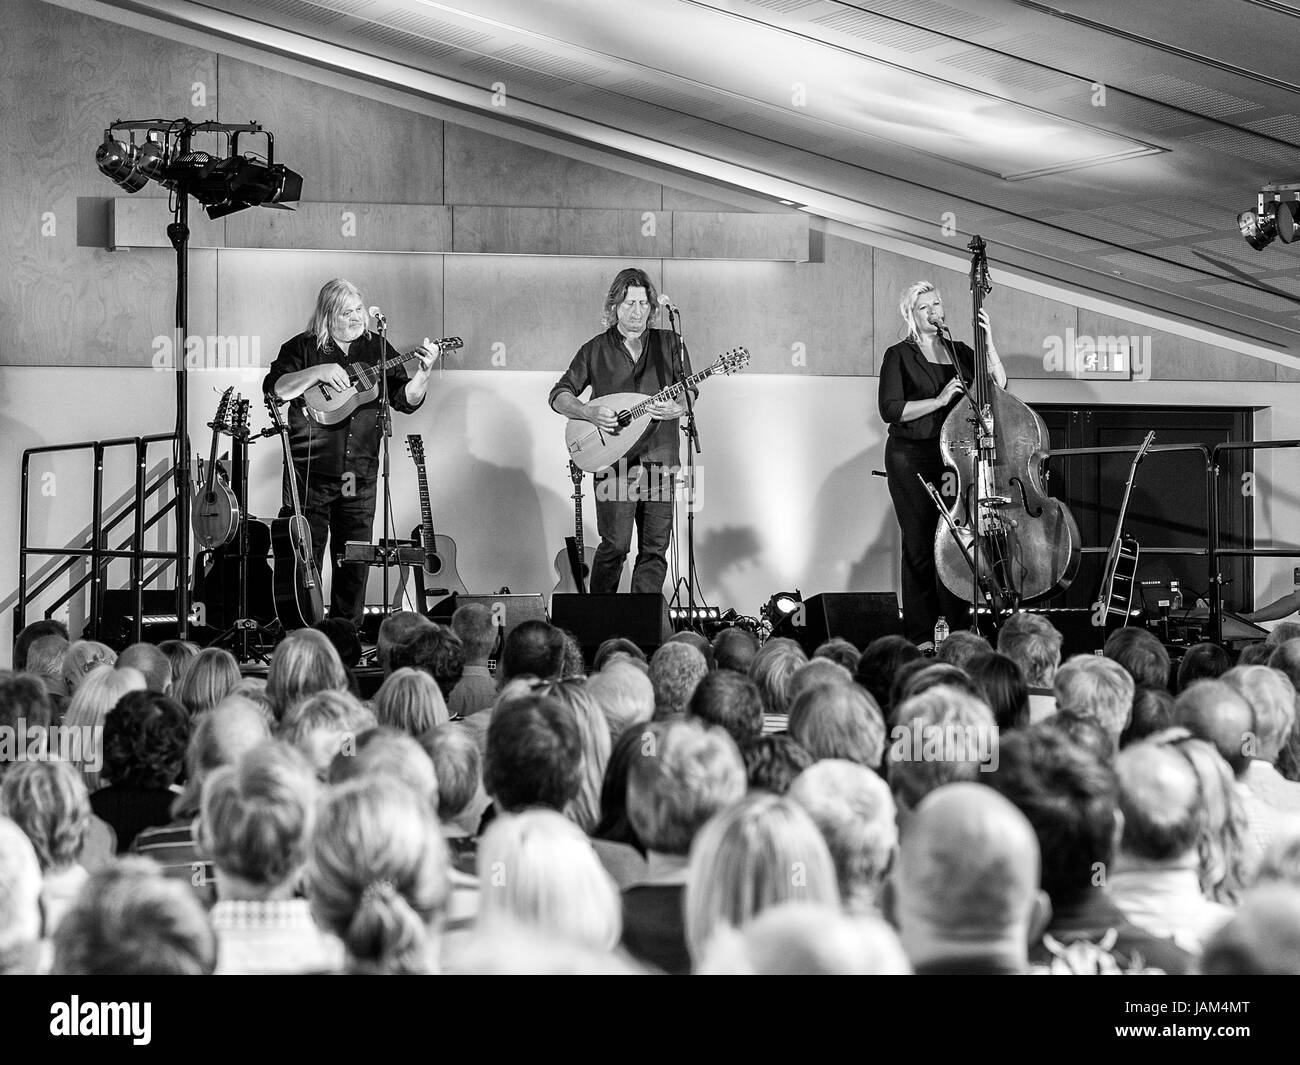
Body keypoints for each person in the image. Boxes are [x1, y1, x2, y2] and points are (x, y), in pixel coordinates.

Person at [262, 278, 440, 627]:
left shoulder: (377, 348)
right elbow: (276, 389)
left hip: (360, 472)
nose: (358, 318)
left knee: (354, 562)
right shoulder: (302, 347)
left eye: (359, 309)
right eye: (347, 312)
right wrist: (318, 372)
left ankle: (346, 636)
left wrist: (424, 372)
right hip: (309, 471)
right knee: (304, 558)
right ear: (329, 316)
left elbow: (406, 400)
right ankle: (302, 634)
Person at [548, 267, 693, 595]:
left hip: (661, 462)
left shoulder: (670, 342)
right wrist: (589, 411)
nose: (637, 312)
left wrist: (678, 407)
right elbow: (559, 395)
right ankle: (600, 623)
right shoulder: (595, 349)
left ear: (652, 307)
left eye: (643, 304)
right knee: (614, 546)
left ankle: (643, 629)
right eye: (629, 304)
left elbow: (688, 391)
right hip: (614, 464)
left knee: (655, 551)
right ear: (614, 306)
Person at [878, 280, 1005, 649]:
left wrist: (989, 344)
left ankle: (956, 631)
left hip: (955, 456)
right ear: (911, 315)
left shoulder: (962, 352)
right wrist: (937, 401)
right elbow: (890, 409)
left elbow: (999, 384)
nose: (934, 311)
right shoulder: (899, 355)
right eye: (925, 307)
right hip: (911, 456)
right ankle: (921, 636)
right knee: (919, 543)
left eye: (937, 304)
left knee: (954, 542)